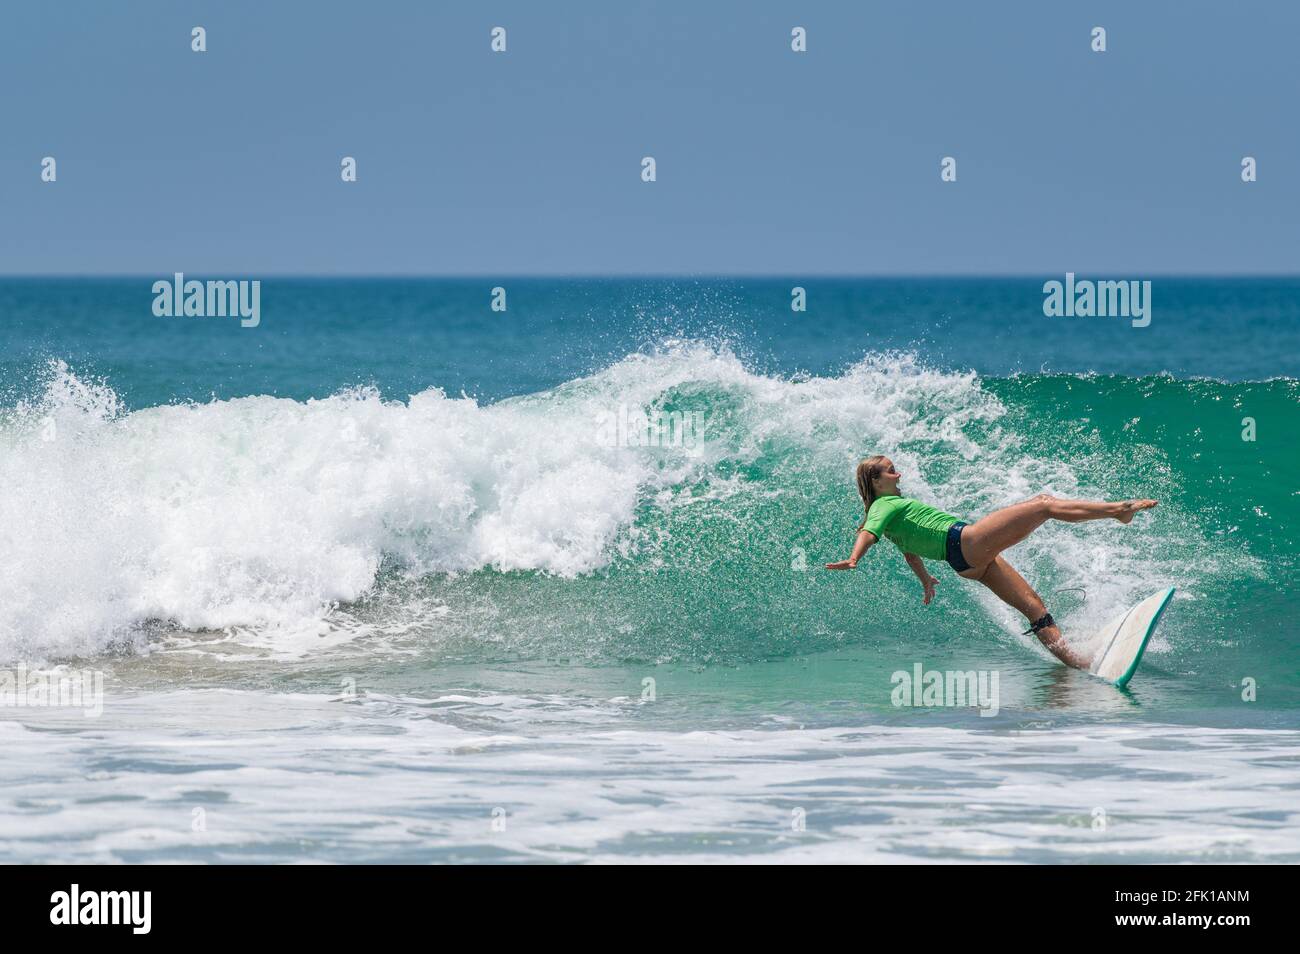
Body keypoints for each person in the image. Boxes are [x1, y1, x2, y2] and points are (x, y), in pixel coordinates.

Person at [825, 455, 1157, 669]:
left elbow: (908, 550)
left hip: (966, 564)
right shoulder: (883, 506)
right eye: (890, 469)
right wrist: (855, 557)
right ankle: (1117, 511)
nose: (898, 472)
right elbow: (868, 532)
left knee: (1034, 609)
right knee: (1044, 504)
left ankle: (1075, 662)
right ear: (876, 482)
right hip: (966, 542)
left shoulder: (890, 511)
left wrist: (925, 580)